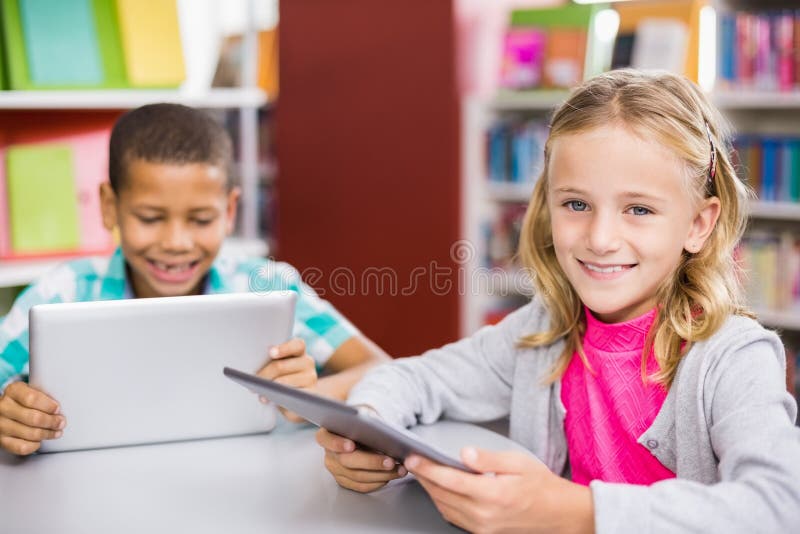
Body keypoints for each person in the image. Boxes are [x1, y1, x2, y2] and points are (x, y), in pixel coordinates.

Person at [316, 70, 800, 532]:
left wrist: (575, 512)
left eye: (639, 209)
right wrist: (366, 433)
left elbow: (781, 506)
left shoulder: (732, 358)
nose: (601, 238)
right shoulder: (540, 333)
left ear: (698, 224)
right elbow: (412, 378)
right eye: (576, 204)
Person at [0, 103, 388, 456]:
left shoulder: (267, 287)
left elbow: (377, 367)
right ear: (109, 206)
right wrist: (9, 414)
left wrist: (311, 397)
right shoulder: (61, 292)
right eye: (150, 218)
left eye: (201, 220)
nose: (176, 243)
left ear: (230, 210)